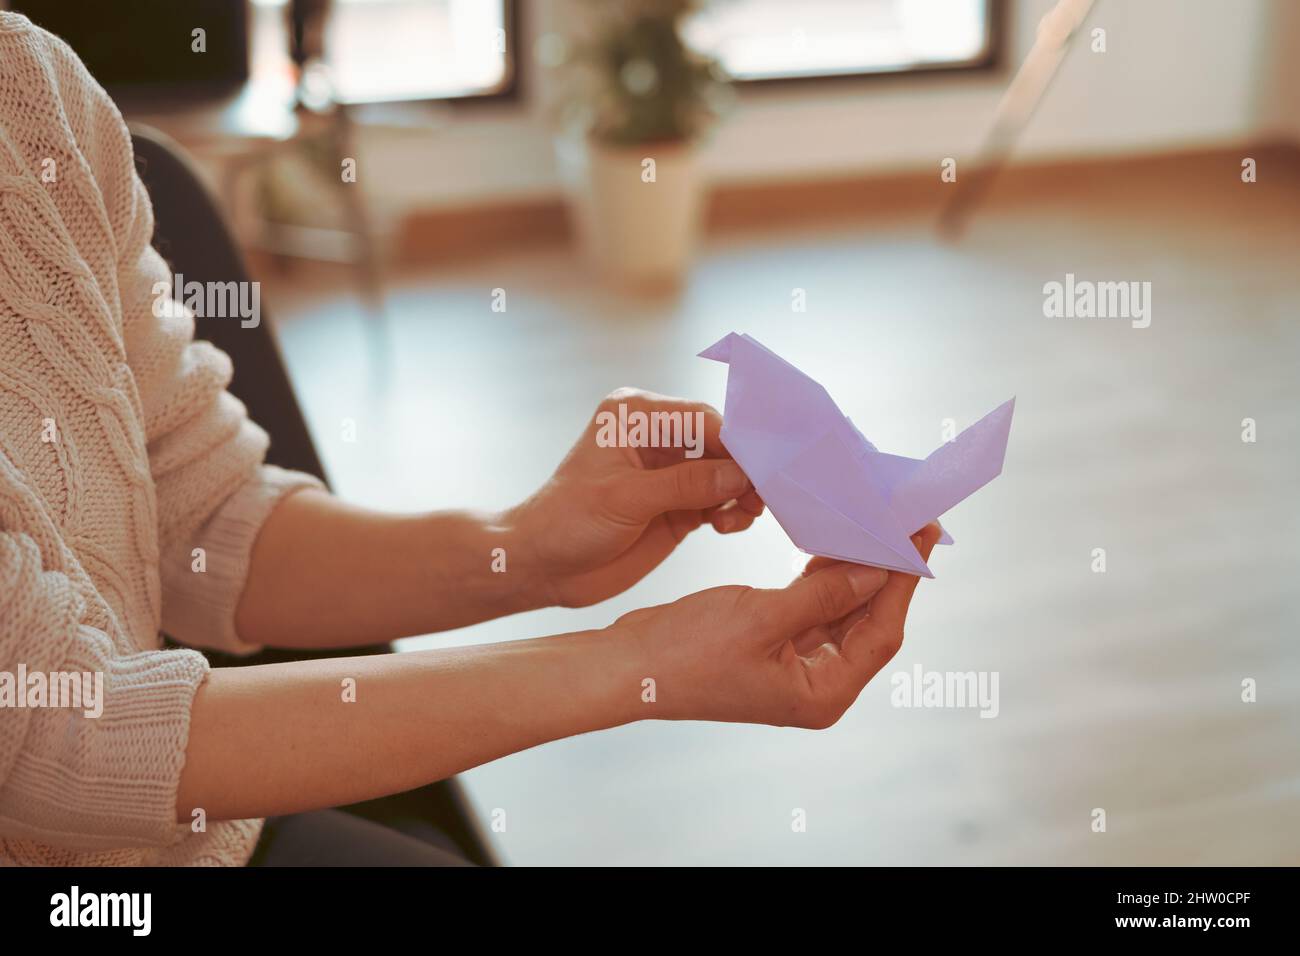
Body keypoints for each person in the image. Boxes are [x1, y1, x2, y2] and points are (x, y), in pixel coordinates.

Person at [0, 11, 939, 866]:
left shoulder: (32, 91)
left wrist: (526, 549)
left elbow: (204, 520)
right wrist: (634, 666)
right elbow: (52, 741)